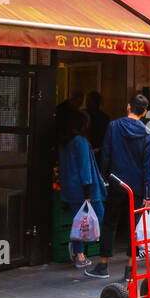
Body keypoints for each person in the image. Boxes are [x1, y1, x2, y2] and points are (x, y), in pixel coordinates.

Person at [87, 94, 150, 280]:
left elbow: (106, 154)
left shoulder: (113, 127)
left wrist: (105, 175)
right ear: (144, 112)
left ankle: (103, 265)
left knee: (110, 223)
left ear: (128, 107)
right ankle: (130, 270)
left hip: (117, 183)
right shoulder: (148, 134)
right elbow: (147, 167)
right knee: (134, 226)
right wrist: (148, 193)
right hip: (138, 188)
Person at [58, 110, 105, 268]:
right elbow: (85, 168)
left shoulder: (65, 141)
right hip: (84, 189)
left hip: (70, 188)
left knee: (79, 222)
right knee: (99, 216)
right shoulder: (81, 142)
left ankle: (79, 253)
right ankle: (82, 252)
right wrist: (88, 192)